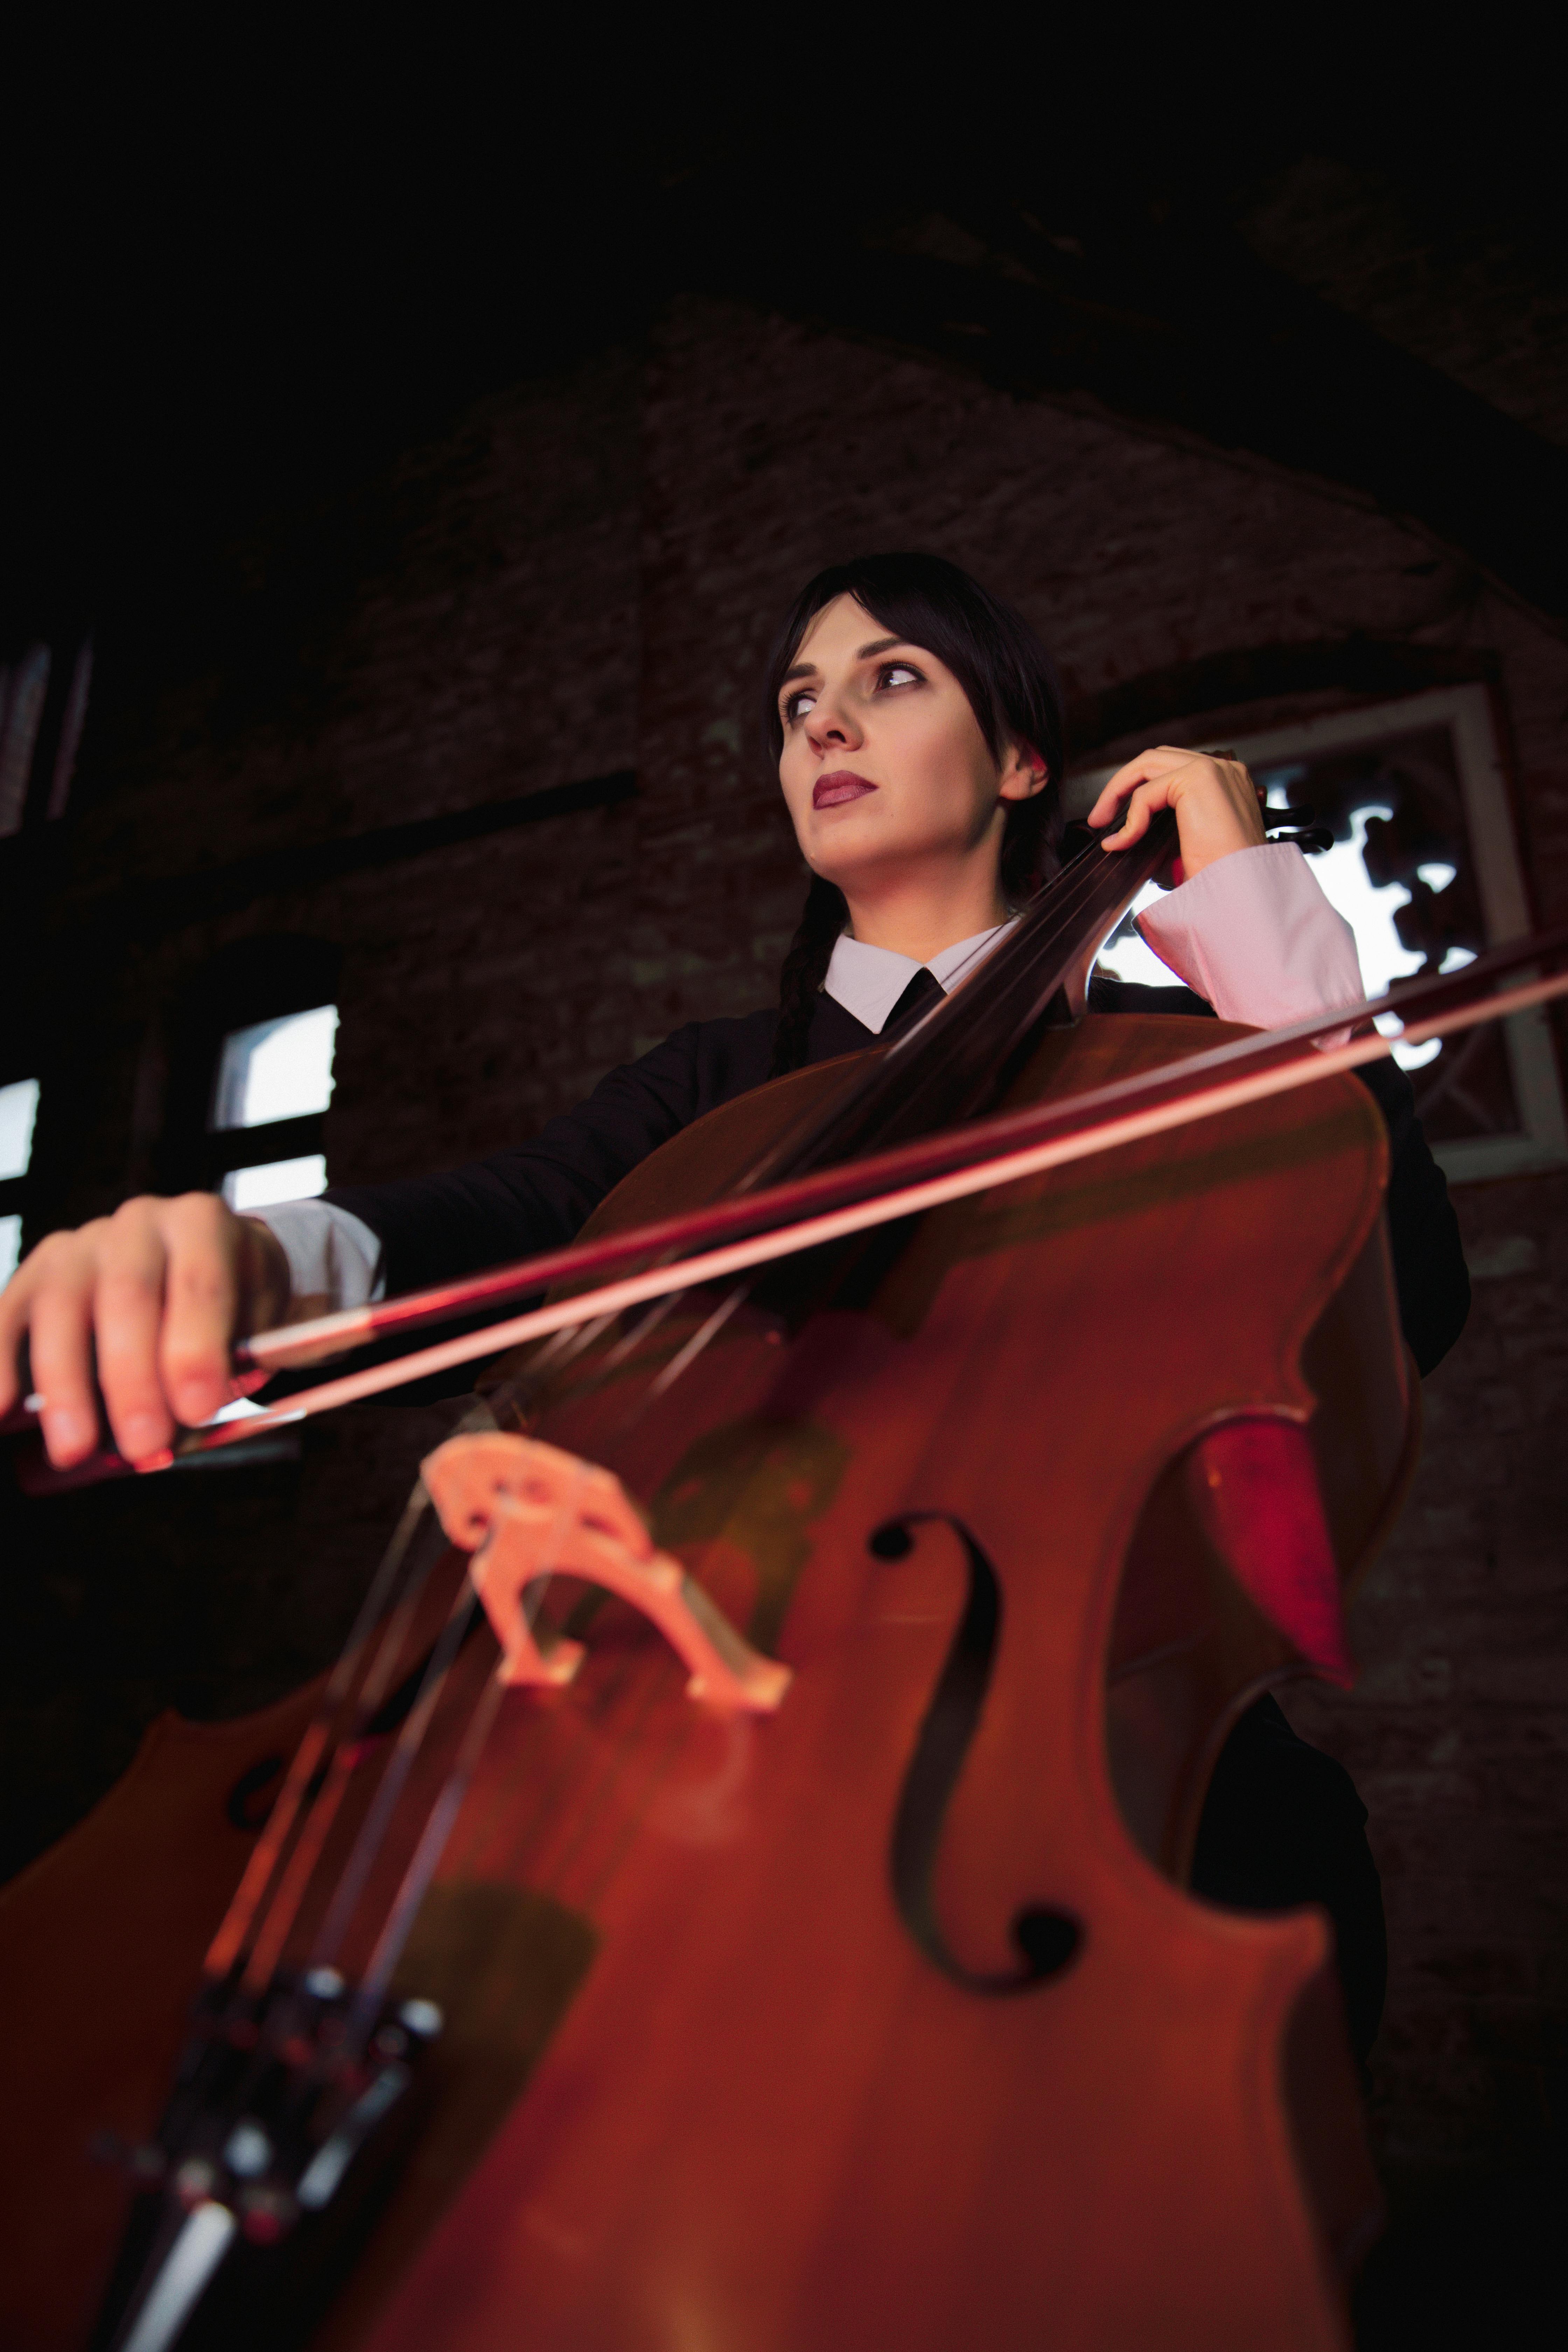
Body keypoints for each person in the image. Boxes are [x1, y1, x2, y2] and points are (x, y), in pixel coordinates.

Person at [0, 552, 1469, 2059]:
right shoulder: (711, 1091)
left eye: (890, 680)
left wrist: (1242, 903)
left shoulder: (1168, 1063)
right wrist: (254, 1266)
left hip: (1124, 1803)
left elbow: (1398, 1286)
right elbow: (511, 1220)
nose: (824, 727)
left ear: (1024, 761)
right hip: (725, 1799)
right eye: (794, 705)